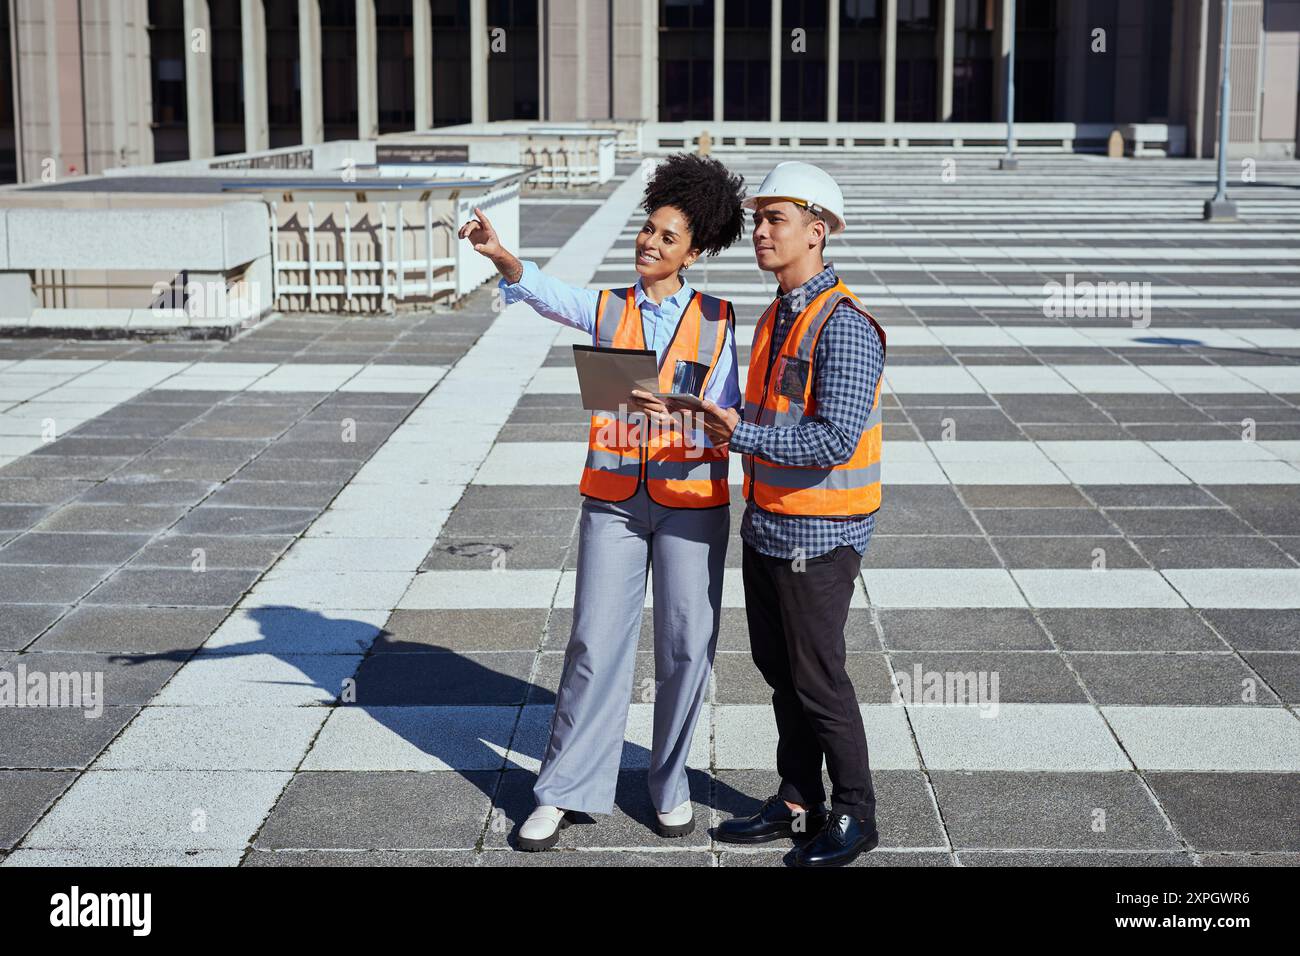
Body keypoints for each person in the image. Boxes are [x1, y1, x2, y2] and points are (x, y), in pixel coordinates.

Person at [457, 153, 747, 850]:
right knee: (592, 643)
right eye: (648, 229)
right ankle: (562, 790)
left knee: (686, 645)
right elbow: (549, 293)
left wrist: (683, 408)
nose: (650, 243)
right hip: (614, 500)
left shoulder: (718, 319)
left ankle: (667, 781)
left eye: (668, 237)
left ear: (695, 251)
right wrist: (503, 259)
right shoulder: (610, 305)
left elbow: (731, 414)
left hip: (690, 500)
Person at [695, 161, 888, 867]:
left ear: (818, 230)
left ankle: (857, 813)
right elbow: (771, 412)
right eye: (758, 219)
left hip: (824, 530)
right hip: (771, 519)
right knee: (779, 670)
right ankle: (799, 797)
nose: (760, 232)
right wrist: (710, 413)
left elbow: (833, 439)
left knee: (819, 676)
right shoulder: (779, 312)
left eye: (775, 219)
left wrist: (736, 433)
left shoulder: (846, 327)